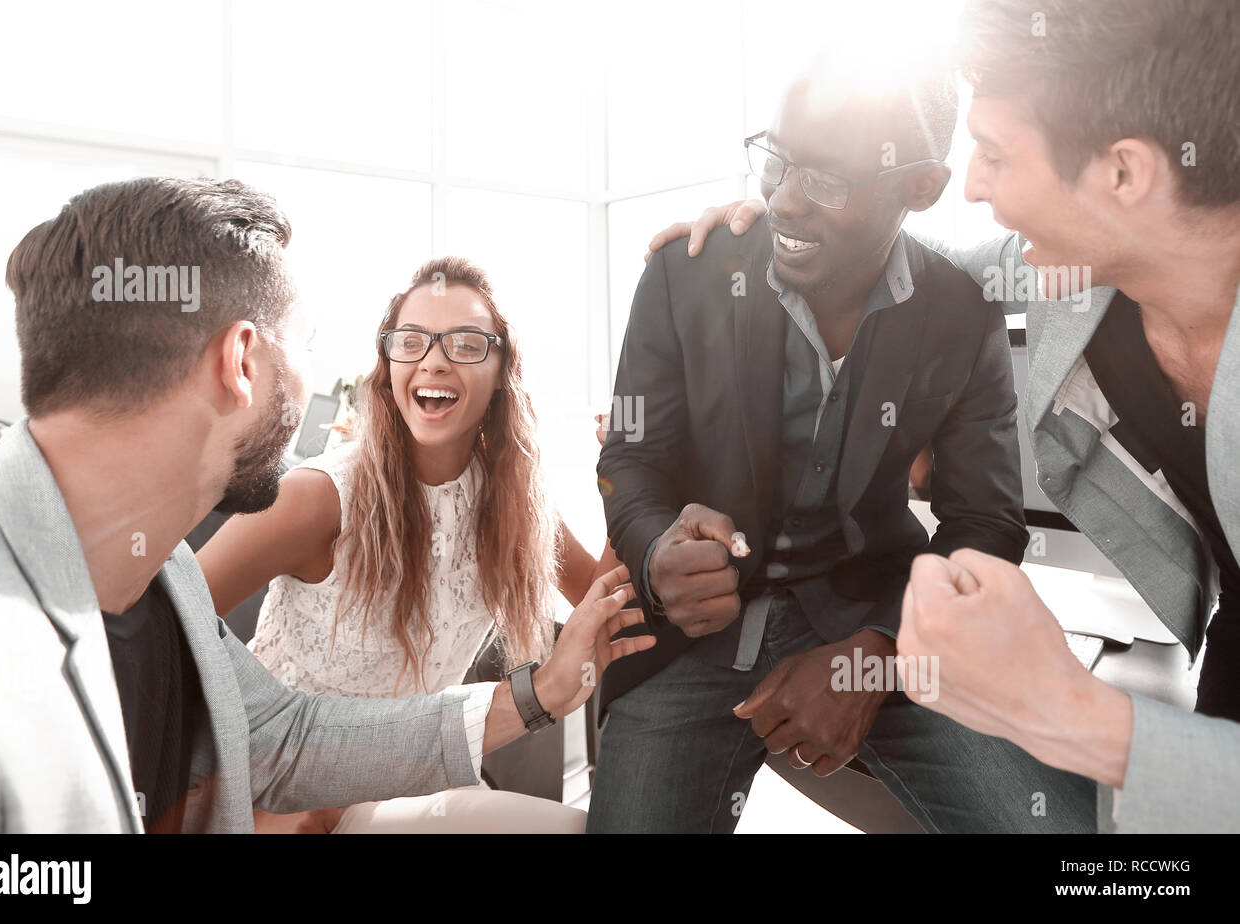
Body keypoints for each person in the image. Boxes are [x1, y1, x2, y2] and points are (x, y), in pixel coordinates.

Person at [650, 0, 1240, 834]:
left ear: (1125, 174)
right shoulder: (1079, 269)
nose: (972, 184)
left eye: (996, 155)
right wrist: (771, 227)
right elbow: (907, 258)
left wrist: (1070, 712)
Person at [0, 176, 652, 833]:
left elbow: (287, 738)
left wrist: (537, 694)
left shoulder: (166, 579)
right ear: (243, 362)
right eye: (305, 344)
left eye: (464, 345)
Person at [589, 48, 1094, 833]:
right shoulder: (683, 274)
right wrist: (656, 555)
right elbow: (630, 459)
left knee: (1067, 840)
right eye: (777, 161)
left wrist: (879, 654)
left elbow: (986, 524)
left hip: (876, 618)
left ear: (919, 187)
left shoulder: (961, 314)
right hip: (685, 644)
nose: (785, 201)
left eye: (825, 179)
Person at [197, 256, 618, 833]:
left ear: (502, 371)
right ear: (388, 364)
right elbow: (165, 626)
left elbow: (607, 603)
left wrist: (626, 470)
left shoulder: (517, 504)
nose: (435, 360)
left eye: (466, 343)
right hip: (283, 801)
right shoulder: (319, 498)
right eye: (412, 340)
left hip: (412, 782)